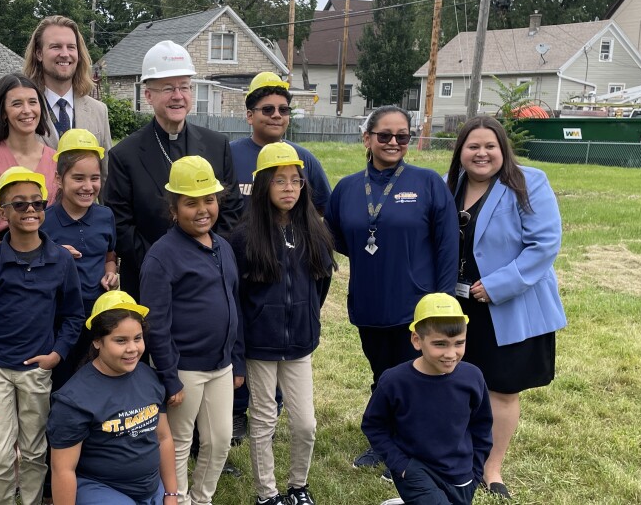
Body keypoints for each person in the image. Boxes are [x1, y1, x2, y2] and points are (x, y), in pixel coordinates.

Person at [324, 105, 459, 472]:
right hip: (368, 302)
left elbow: (447, 246)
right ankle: (383, 443)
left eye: (403, 136)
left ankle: (416, 450)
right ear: (366, 138)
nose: (394, 142)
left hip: (416, 305)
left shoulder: (428, 183)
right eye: (384, 135)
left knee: (416, 377)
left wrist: (443, 303)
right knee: (383, 376)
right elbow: (336, 236)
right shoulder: (348, 188)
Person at [445, 115, 566, 500]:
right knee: (459, 384)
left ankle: (490, 467)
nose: (481, 153)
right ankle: (457, 453)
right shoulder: (451, 186)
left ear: (503, 150)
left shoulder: (528, 182)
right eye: (473, 146)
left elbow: (544, 244)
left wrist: (497, 286)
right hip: (459, 306)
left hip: (507, 305)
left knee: (502, 389)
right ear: (460, 152)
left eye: (489, 146)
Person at [0, 167, 85, 505]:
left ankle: (31, 500)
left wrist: (57, 354)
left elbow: (74, 315)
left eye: (38, 202)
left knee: (34, 448)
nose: (30, 210)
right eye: (19, 204)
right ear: (2, 212)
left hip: (37, 369)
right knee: (0, 453)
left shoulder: (60, 260)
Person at [229, 143, 335, 505]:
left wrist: (307, 317)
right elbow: (237, 297)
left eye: (296, 181)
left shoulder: (315, 233)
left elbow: (321, 284)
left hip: (299, 345)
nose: (289, 188)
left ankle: (298, 487)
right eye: (279, 181)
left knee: (305, 424)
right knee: (263, 420)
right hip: (261, 344)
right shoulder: (244, 238)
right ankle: (267, 493)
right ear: (262, 187)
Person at [103, 40, 244, 297]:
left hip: (210, 278)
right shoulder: (124, 155)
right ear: (148, 95)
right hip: (150, 279)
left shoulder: (217, 145)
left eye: (184, 87)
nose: (178, 96)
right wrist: (164, 264)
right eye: (168, 88)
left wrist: (204, 258)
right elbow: (121, 226)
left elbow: (231, 210)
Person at [141, 155, 245, 505]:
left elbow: (234, 304)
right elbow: (156, 324)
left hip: (222, 366)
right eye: (191, 203)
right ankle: (179, 498)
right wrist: (169, 376)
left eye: (209, 200)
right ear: (173, 209)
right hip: (184, 369)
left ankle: (202, 498)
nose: (202, 210)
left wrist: (238, 361)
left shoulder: (223, 247)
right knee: (180, 442)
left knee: (219, 440)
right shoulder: (162, 256)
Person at [46, 291, 180, 505]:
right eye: (120, 340)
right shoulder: (73, 400)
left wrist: (172, 494)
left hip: (152, 488)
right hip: (101, 489)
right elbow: (63, 469)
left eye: (137, 338)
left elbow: (163, 438)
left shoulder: (149, 377)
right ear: (98, 341)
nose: (132, 349)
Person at [361, 293, 493, 505]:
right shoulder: (394, 381)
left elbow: (481, 426)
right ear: (416, 340)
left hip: (461, 476)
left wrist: (476, 471)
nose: (451, 353)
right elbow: (373, 425)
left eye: (459, 343)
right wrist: (401, 465)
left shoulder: (473, 377)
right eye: (440, 344)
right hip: (414, 469)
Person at [40, 128, 119, 390]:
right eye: (78, 178)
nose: (88, 186)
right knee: (61, 379)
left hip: (95, 314)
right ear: (59, 180)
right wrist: (53, 253)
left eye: (94, 178)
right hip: (58, 317)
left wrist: (111, 272)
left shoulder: (105, 216)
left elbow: (109, 255)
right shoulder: (44, 222)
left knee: (94, 377)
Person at [0, 73, 59, 256]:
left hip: (45, 257)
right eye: (17, 104)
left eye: (33, 102)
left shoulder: (56, 160)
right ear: (3, 112)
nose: (27, 110)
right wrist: (14, 269)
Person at [228, 72, 330, 212]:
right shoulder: (228, 155)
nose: (276, 115)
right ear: (250, 116)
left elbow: (324, 209)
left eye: (283, 110)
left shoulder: (304, 158)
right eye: (268, 109)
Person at [23, 15, 113, 150]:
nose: (65, 54)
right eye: (56, 47)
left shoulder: (99, 111)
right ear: (39, 54)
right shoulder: (23, 111)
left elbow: (106, 170)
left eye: (71, 47)